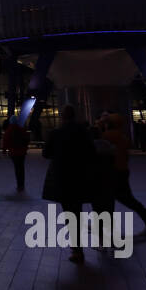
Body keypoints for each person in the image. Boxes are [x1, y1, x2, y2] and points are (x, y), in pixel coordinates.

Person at [42, 106, 96, 263]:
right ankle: (79, 247)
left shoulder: (56, 133)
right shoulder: (83, 132)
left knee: (69, 213)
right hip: (80, 177)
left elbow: (46, 154)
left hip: (63, 179)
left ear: (62, 116)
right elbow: (92, 152)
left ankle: (77, 249)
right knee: (77, 210)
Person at [102, 113, 146, 235]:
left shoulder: (106, 136)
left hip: (112, 172)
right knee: (124, 198)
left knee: (113, 199)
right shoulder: (123, 137)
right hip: (123, 170)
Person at [2, 116, 29, 193]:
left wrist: (4, 150)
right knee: (21, 168)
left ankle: (19, 185)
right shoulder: (22, 129)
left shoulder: (9, 130)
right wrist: (25, 148)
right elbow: (26, 139)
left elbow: (5, 141)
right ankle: (22, 184)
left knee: (17, 168)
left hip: (13, 153)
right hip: (22, 152)